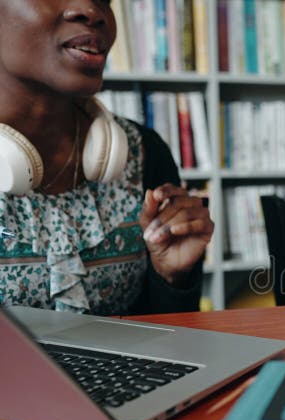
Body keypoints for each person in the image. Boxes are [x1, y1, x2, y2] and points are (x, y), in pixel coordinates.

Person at [0, 0, 213, 315]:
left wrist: (172, 276)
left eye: (104, 0)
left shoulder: (143, 151)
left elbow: (168, 342)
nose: (92, 11)